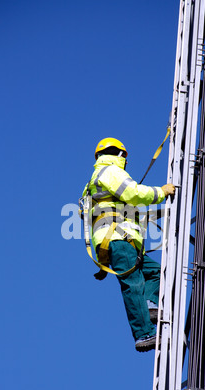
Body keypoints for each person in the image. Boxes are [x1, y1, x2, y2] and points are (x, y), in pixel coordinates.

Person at [82, 137, 175, 352]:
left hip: (118, 240)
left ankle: (151, 307)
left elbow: (103, 214)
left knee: (157, 273)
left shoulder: (92, 183)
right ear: (121, 154)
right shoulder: (110, 171)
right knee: (133, 284)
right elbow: (133, 192)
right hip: (119, 238)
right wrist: (162, 192)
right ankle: (143, 335)